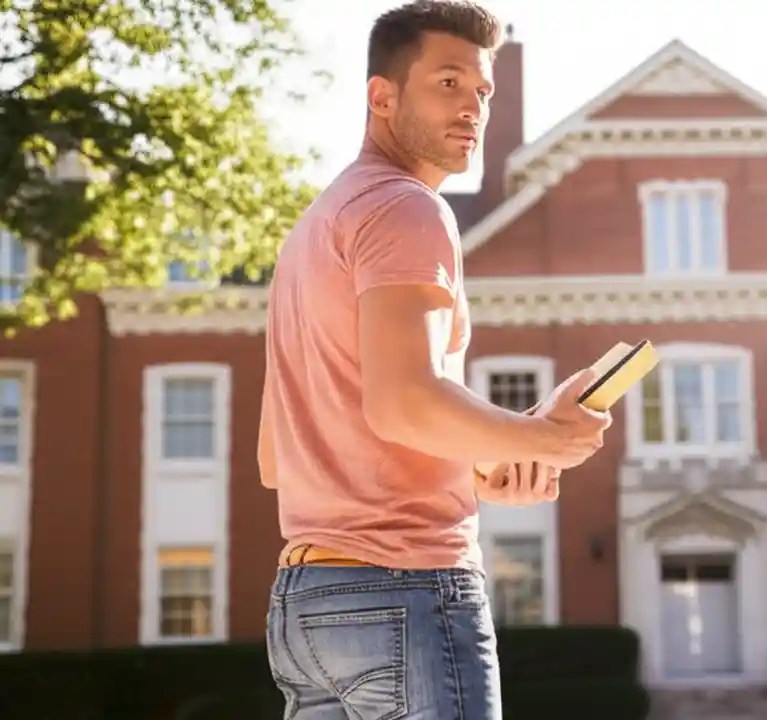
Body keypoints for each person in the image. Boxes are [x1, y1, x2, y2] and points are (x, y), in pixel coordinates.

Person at [255, 2, 612, 718]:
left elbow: (276, 457)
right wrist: (544, 439)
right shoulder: (407, 209)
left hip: (307, 608)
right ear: (381, 96)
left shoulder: (314, 229)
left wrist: (481, 464)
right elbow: (404, 403)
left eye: (482, 90)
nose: (471, 107)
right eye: (448, 83)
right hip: (407, 591)